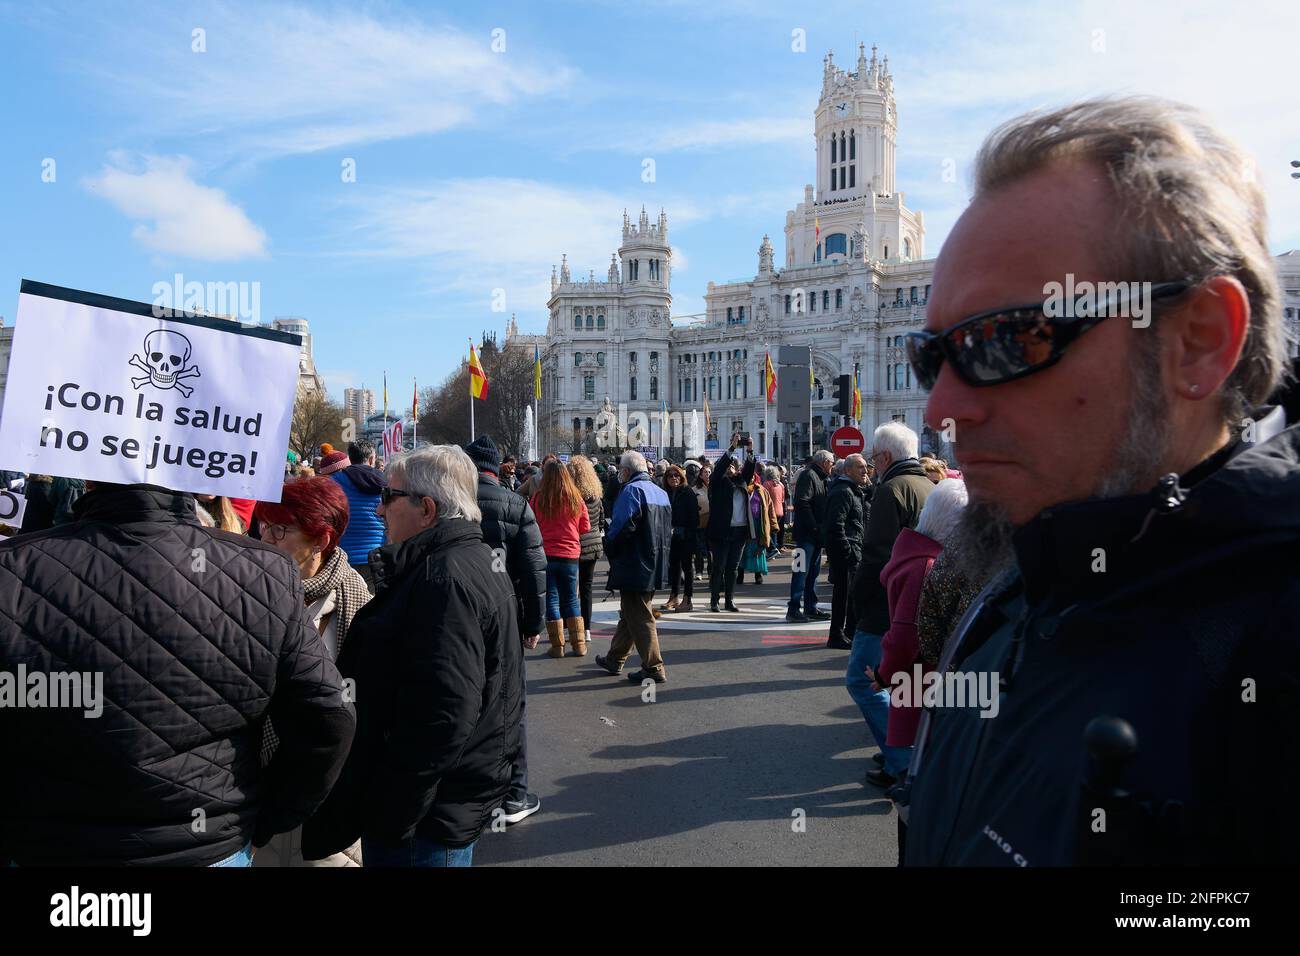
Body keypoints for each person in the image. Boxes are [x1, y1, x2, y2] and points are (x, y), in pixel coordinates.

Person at [902, 97, 1300, 866]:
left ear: (1199, 343)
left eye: (1004, 341)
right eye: (932, 356)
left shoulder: (1272, 665)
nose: (943, 408)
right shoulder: (1013, 592)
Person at [0, 481, 356, 865]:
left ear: (89, 476)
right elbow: (330, 715)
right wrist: (266, 818)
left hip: (51, 844)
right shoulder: (264, 570)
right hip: (206, 845)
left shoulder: (15, 566)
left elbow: (328, 716)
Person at [304, 446, 523, 868]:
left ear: (426, 509)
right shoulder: (461, 561)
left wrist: (393, 808)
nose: (379, 511)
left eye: (389, 497)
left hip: (424, 817)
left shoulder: (444, 579)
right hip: (439, 805)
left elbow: (445, 715)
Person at [252, 477, 373, 867]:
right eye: (263, 525)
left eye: (280, 529)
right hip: (254, 800)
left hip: (329, 807)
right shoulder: (243, 590)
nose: (266, 537)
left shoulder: (359, 601)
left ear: (321, 540)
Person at [870, 478, 967, 859]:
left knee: (918, 785)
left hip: (914, 688)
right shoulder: (928, 565)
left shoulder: (913, 554)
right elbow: (907, 636)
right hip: (921, 689)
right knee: (919, 789)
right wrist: (883, 673)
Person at [463, 434, 545, 826]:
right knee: (512, 703)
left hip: (459, 617)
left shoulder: (453, 505)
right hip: (506, 615)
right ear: (498, 469)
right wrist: (534, 624)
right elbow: (533, 571)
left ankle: (467, 786)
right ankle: (515, 792)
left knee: (464, 698)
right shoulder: (516, 504)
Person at [848, 422, 933, 788]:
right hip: (922, 599)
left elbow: (876, 556)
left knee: (862, 681)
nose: (872, 465)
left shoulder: (891, 490)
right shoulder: (930, 486)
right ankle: (898, 753)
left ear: (884, 456)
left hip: (888, 603)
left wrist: (857, 599)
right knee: (903, 684)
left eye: (873, 458)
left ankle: (904, 762)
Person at [594, 450, 672, 683]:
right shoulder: (660, 492)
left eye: (621, 471)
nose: (619, 474)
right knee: (632, 612)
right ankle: (614, 658)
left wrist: (608, 546)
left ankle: (653, 666)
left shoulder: (631, 491)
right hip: (656, 561)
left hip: (635, 562)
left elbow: (620, 528)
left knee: (639, 614)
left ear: (626, 471)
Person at [531, 460, 591, 658]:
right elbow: (585, 528)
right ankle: (579, 645)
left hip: (546, 554)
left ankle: (558, 647)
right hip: (570, 554)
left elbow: (531, 524)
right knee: (572, 599)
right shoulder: (575, 497)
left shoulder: (539, 497)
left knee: (552, 600)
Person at [823, 453, 870, 649]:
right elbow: (836, 525)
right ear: (848, 470)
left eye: (866, 467)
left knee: (851, 595)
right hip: (846, 552)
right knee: (842, 595)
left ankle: (848, 631)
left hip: (854, 549)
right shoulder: (844, 491)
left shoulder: (854, 490)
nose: (865, 471)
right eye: (860, 467)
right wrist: (847, 550)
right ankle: (836, 634)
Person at [706, 437, 757, 612]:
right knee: (719, 566)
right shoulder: (717, 482)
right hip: (721, 531)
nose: (730, 469)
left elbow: (750, 469)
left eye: (732, 466)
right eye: (728, 466)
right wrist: (732, 448)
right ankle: (714, 600)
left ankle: (730, 600)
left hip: (740, 531)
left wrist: (750, 449)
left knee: (732, 568)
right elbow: (719, 468)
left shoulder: (741, 481)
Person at [330, 439, 388, 592]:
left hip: (342, 557)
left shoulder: (333, 483)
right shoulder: (388, 484)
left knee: (346, 604)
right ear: (371, 459)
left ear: (350, 458)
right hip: (377, 555)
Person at [788, 450, 834, 623]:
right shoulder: (809, 475)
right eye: (831, 462)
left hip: (814, 535)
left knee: (812, 573)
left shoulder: (820, 477)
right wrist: (815, 527)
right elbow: (803, 502)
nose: (833, 465)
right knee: (800, 571)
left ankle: (810, 607)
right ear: (824, 462)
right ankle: (793, 608)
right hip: (806, 535)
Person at [567, 454, 606, 633]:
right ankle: (587, 629)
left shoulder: (571, 496)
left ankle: (572, 627)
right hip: (594, 544)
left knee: (570, 589)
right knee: (586, 588)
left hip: (574, 544)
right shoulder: (596, 495)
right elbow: (601, 521)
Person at [661, 464, 699, 612]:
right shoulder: (666, 493)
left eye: (676, 475)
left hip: (686, 536)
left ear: (681, 477)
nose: (673, 478)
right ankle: (674, 597)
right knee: (674, 567)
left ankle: (688, 599)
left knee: (687, 568)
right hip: (671, 537)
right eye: (670, 476)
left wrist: (688, 535)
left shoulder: (687, 492)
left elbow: (694, 516)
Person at [736, 465, 777, 585]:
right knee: (742, 550)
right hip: (743, 524)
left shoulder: (761, 490)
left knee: (759, 549)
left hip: (759, 524)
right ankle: (740, 573)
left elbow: (770, 508)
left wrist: (773, 525)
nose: (751, 478)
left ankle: (758, 574)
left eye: (752, 476)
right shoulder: (739, 489)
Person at [18, 474, 85, 533]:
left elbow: (52, 500)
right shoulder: (84, 480)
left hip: (59, 518)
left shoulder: (60, 478)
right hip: (77, 517)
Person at [693, 462, 712, 581]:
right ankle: (699, 571)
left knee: (711, 549)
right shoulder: (695, 489)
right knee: (699, 549)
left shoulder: (715, 486)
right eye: (705, 472)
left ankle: (711, 571)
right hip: (699, 522)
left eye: (709, 472)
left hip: (712, 522)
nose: (708, 474)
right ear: (700, 475)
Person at [763, 465, 787, 556]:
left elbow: (765, 498)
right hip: (780, 510)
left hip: (771, 511)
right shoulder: (781, 484)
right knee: (774, 530)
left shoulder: (766, 484)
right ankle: (774, 549)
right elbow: (782, 499)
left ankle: (773, 549)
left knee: (767, 530)